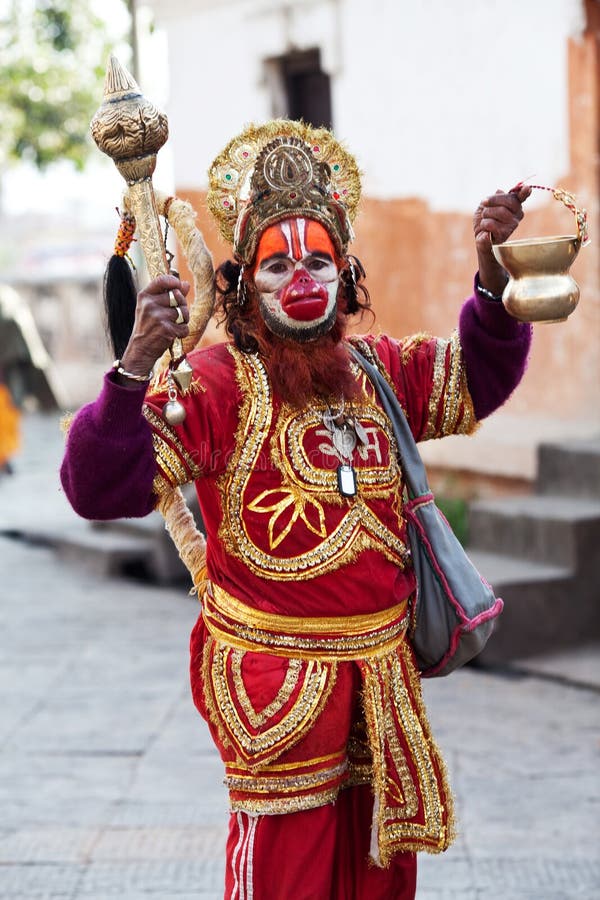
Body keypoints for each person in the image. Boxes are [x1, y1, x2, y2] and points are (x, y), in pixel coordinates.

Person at [61, 120, 532, 899]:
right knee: (288, 881)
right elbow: (95, 487)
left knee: (381, 881)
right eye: (278, 264)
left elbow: (476, 378)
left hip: (382, 686)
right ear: (246, 283)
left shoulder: (382, 374)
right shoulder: (213, 387)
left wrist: (490, 283)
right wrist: (137, 364)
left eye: (318, 259)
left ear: (346, 277)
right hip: (276, 690)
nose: (301, 278)